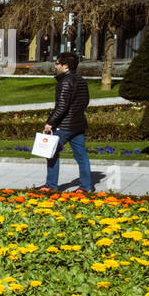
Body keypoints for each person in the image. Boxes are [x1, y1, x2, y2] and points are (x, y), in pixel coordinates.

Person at [41, 51, 92, 193]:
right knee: (81, 156)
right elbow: (85, 102)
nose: (55, 66)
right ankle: (86, 187)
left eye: (57, 63)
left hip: (64, 126)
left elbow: (62, 106)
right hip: (79, 124)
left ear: (66, 66)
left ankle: (51, 186)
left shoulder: (65, 82)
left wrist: (50, 122)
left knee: (51, 153)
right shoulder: (81, 80)